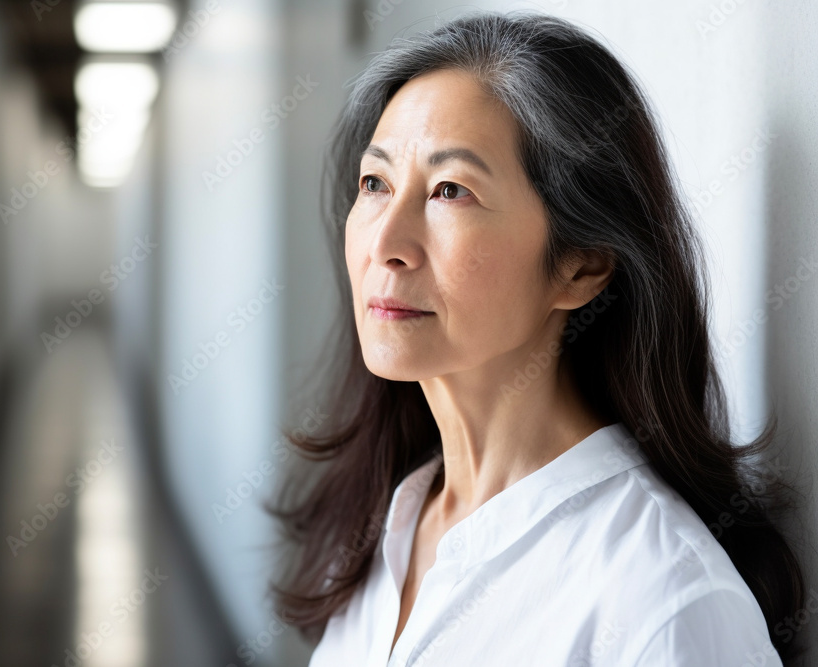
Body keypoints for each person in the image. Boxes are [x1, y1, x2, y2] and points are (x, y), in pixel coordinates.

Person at [265, 10, 808, 666]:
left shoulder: (666, 603)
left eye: (449, 191)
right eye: (375, 183)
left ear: (581, 265)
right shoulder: (388, 523)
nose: (385, 243)